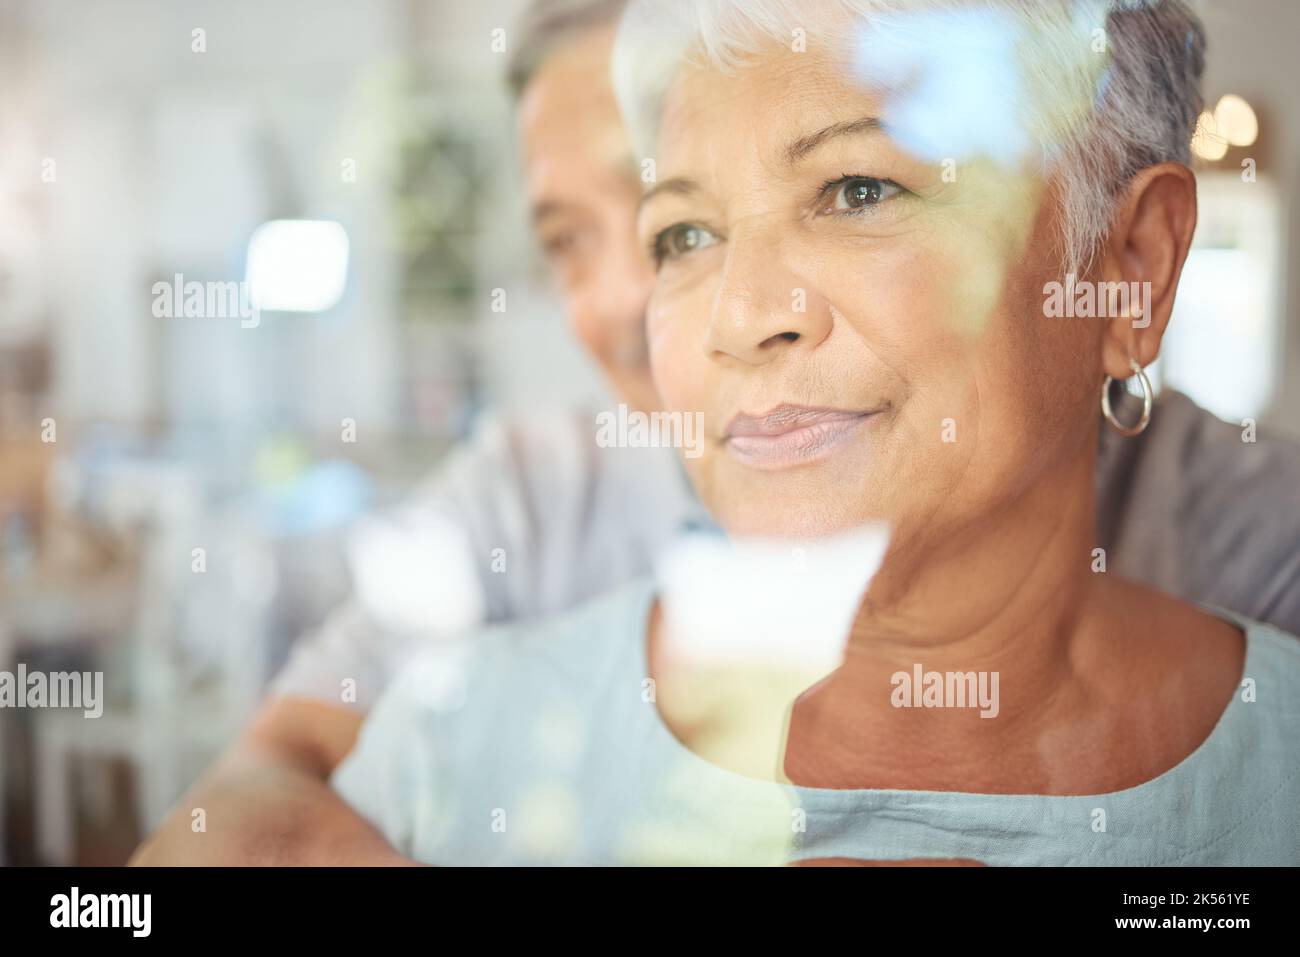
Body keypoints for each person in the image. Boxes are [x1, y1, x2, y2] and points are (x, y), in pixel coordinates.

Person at [135, 0, 1300, 866]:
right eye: (679, 234)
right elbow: (233, 814)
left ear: (1129, 267)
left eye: (856, 190)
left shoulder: (1254, 601)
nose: (729, 320)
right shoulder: (471, 694)